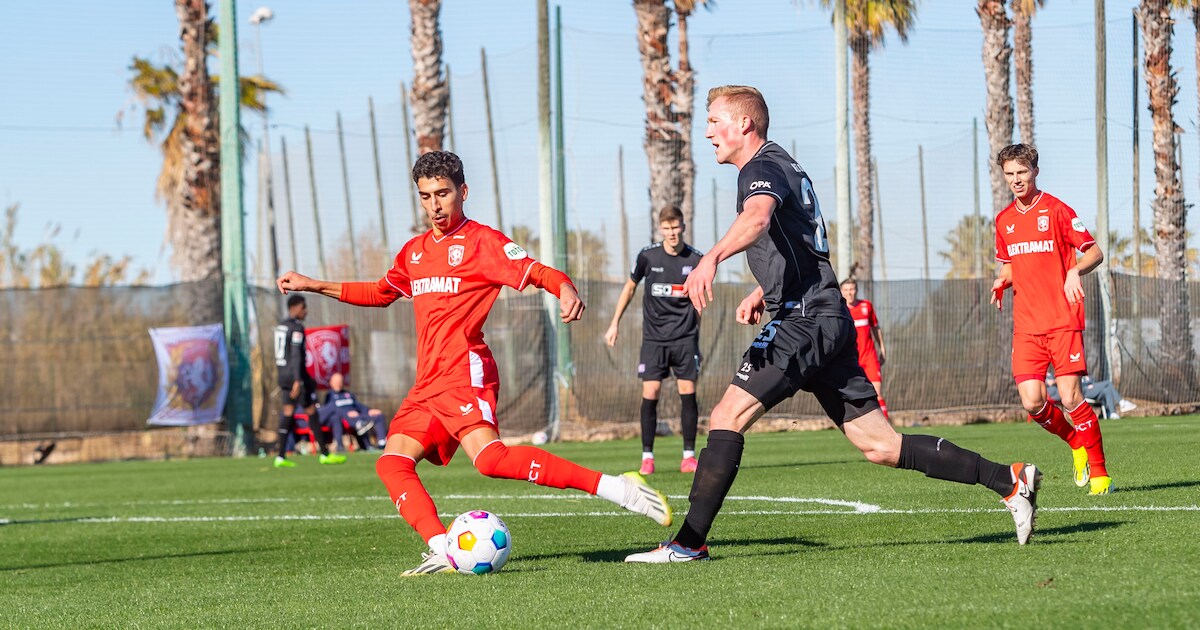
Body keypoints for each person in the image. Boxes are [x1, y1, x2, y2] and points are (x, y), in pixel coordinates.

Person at [625, 86, 1042, 563]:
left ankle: (688, 544)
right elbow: (801, 242)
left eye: (715, 121)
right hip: (823, 315)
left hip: (804, 319)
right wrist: (764, 289)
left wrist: (711, 258)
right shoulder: (783, 164)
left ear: (744, 124)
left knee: (726, 417)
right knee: (881, 446)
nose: (707, 132)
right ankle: (1008, 480)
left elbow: (758, 218)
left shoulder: (759, 168)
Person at [276, 151, 672, 575]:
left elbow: (538, 271)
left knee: (489, 461)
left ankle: (619, 488)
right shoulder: (414, 252)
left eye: (442, 193)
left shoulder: (483, 242)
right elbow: (379, 292)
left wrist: (566, 289)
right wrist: (313, 284)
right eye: (426, 196)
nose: (434, 205)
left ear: (462, 192)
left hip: (465, 372)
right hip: (427, 384)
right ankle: (443, 548)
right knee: (391, 462)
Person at [990, 143, 1112, 496]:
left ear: (1035, 171)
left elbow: (1095, 252)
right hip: (1027, 326)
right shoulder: (1003, 220)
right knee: (1032, 402)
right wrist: (1002, 280)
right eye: (1009, 174)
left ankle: (1100, 474)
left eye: (1022, 172)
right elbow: (1011, 265)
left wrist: (1074, 271)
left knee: (1071, 398)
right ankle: (1075, 443)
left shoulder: (1057, 210)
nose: (1016, 179)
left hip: (1062, 320)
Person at [604, 206, 704, 474]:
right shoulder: (647, 256)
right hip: (654, 340)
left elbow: (699, 302)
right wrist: (614, 323)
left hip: (684, 339)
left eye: (676, 227)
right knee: (650, 393)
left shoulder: (696, 259)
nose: (672, 233)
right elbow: (629, 288)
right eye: (667, 228)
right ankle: (647, 457)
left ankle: (689, 456)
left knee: (688, 392)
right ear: (661, 229)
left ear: (683, 227)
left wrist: (695, 333)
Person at [273, 295, 346, 468]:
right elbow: (296, 355)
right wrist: (297, 380)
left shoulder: (281, 326)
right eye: (303, 307)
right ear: (295, 307)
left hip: (283, 376)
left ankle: (280, 457)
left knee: (288, 413)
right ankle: (325, 454)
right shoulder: (296, 328)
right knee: (312, 412)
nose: (305, 311)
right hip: (296, 378)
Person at [840, 278, 887, 418]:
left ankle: (885, 426)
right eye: (846, 290)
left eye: (852, 289)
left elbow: (875, 327)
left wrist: (882, 348)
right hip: (851, 359)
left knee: (877, 394)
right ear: (841, 292)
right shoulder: (841, 310)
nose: (849, 293)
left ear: (856, 290)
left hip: (869, 357)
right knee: (854, 397)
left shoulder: (866, 306)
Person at [319, 372, 387, 451]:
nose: (338, 384)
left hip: (358, 415)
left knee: (379, 416)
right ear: (331, 383)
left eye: (340, 381)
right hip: (346, 419)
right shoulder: (329, 396)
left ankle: (382, 443)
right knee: (339, 416)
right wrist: (346, 413)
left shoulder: (348, 394)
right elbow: (330, 410)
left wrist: (369, 410)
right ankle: (361, 431)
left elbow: (358, 405)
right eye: (336, 382)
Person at [1045, 372, 1136, 421]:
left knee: (1106, 390)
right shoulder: (1046, 378)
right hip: (1081, 391)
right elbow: (1056, 383)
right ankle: (1121, 403)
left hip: (1084, 387)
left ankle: (1112, 413)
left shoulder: (1051, 374)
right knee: (1107, 383)